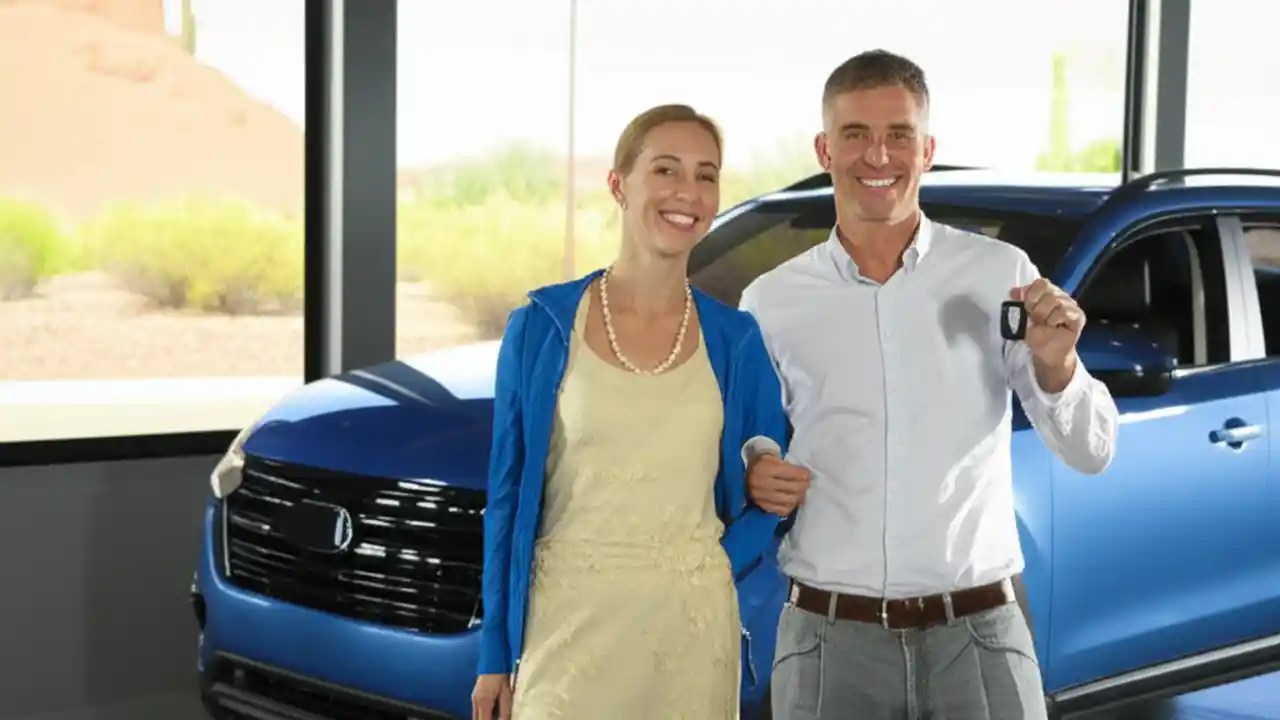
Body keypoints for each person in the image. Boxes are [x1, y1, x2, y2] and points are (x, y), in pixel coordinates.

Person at [741, 50, 1120, 719]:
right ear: (825, 148)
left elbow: (1092, 451)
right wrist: (755, 465)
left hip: (978, 637)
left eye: (899, 135)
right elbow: (750, 434)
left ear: (928, 150)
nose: (877, 156)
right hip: (829, 642)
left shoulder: (999, 273)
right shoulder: (772, 301)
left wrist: (1058, 369)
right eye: (855, 134)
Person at [470, 103, 792, 720]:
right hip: (565, 628)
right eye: (666, 170)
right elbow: (507, 500)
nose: (688, 193)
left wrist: (719, 563)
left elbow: (771, 484)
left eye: (706, 175)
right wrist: (494, 653)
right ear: (620, 185)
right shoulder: (541, 326)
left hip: (690, 635)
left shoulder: (736, 339)